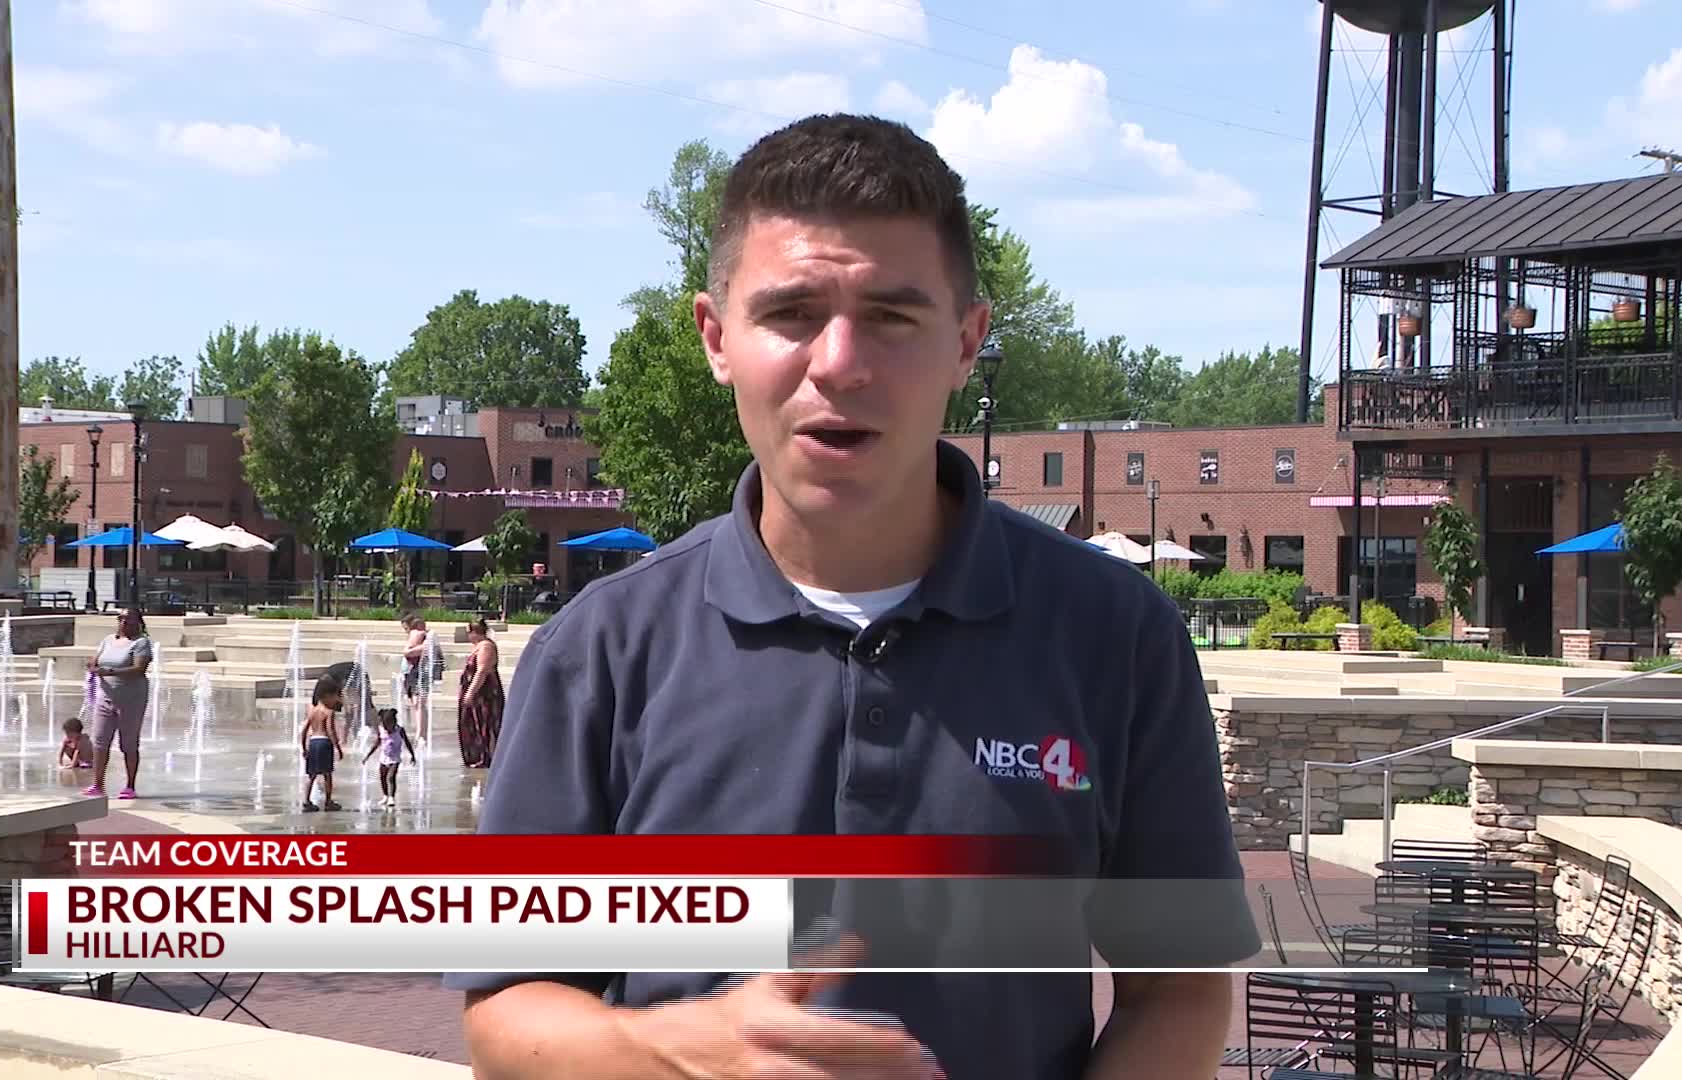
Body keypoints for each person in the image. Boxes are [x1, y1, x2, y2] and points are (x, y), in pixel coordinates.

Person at [446, 114, 1257, 1079]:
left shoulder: (1118, 638)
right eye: (791, 313)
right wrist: (674, 1053)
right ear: (717, 337)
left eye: (892, 316)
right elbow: (507, 1011)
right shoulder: (600, 654)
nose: (839, 362)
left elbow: (1179, 990)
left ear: (966, 342)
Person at [82, 606, 152, 800]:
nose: (123, 622)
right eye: (120, 618)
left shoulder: (141, 643)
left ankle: (130, 786)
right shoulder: (108, 640)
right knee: (99, 741)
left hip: (131, 699)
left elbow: (139, 669)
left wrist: (110, 672)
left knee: (128, 743)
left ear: (138, 622)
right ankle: (98, 784)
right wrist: (92, 665)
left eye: (128, 619)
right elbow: (96, 659)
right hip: (105, 696)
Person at [456, 618, 503, 768]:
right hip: (478, 694)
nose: (468, 635)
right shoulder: (478, 646)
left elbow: (482, 671)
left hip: (485, 694)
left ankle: (486, 757)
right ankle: (476, 757)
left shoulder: (486, 646)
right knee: (473, 724)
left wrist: (470, 693)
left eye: (469, 632)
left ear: (475, 632)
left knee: (485, 724)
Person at [299, 676, 345, 812]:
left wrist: (304, 747)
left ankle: (306, 801)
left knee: (312, 775)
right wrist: (338, 748)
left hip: (313, 742)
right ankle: (328, 802)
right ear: (327, 696)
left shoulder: (312, 711)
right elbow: (330, 731)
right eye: (335, 696)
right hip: (324, 743)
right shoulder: (329, 712)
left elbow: (304, 730)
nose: (337, 700)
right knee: (327, 774)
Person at [360, 707, 415, 808]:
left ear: (394, 722)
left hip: (395, 758)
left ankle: (391, 798)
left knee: (391, 777)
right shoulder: (381, 730)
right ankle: (385, 796)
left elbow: (407, 742)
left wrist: (413, 755)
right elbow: (376, 744)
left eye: (388, 726)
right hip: (383, 758)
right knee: (382, 777)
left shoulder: (400, 730)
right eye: (385, 726)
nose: (387, 729)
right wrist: (367, 756)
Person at [398, 613, 431, 741]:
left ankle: (421, 735)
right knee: (417, 704)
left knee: (419, 703)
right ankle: (421, 734)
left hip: (418, 673)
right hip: (411, 673)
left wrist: (409, 650)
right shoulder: (418, 636)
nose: (406, 631)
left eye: (407, 628)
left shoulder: (421, 636)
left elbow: (408, 652)